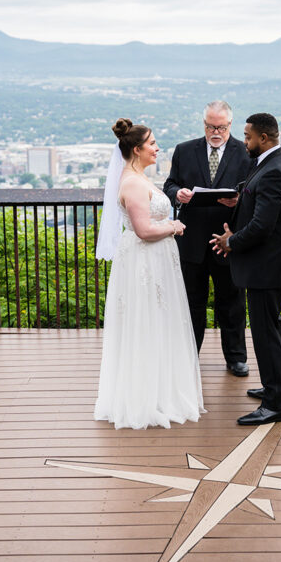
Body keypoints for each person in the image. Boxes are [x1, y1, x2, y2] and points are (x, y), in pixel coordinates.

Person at [93, 118, 204, 429]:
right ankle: (144, 398)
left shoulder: (138, 177)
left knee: (157, 322)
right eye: (152, 144)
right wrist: (173, 225)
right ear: (137, 149)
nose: (157, 148)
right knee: (146, 322)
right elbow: (143, 230)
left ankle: (158, 390)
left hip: (154, 260)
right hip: (144, 261)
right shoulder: (131, 182)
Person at [210, 112, 281, 425]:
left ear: (263, 138)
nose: (244, 141)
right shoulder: (275, 162)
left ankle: (275, 404)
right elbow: (255, 195)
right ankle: (279, 388)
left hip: (267, 266)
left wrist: (231, 242)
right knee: (270, 330)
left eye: (248, 137)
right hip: (267, 265)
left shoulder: (273, 169)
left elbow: (263, 225)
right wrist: (239, 201)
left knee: (265, 335)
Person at [163, 101, 252, 377]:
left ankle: (236, 357)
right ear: (203, 124)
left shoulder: (245, 152)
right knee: (191, 303)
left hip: (228, 239)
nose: (216, 132)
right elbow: (170, 184)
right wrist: (177, 194)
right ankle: (189, 356)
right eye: (211, 126)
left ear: (230, 126)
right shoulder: (184, 150)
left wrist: (237, 201)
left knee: (233, 303)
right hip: (192, 241)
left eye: (222, 127)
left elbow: (252, 192)